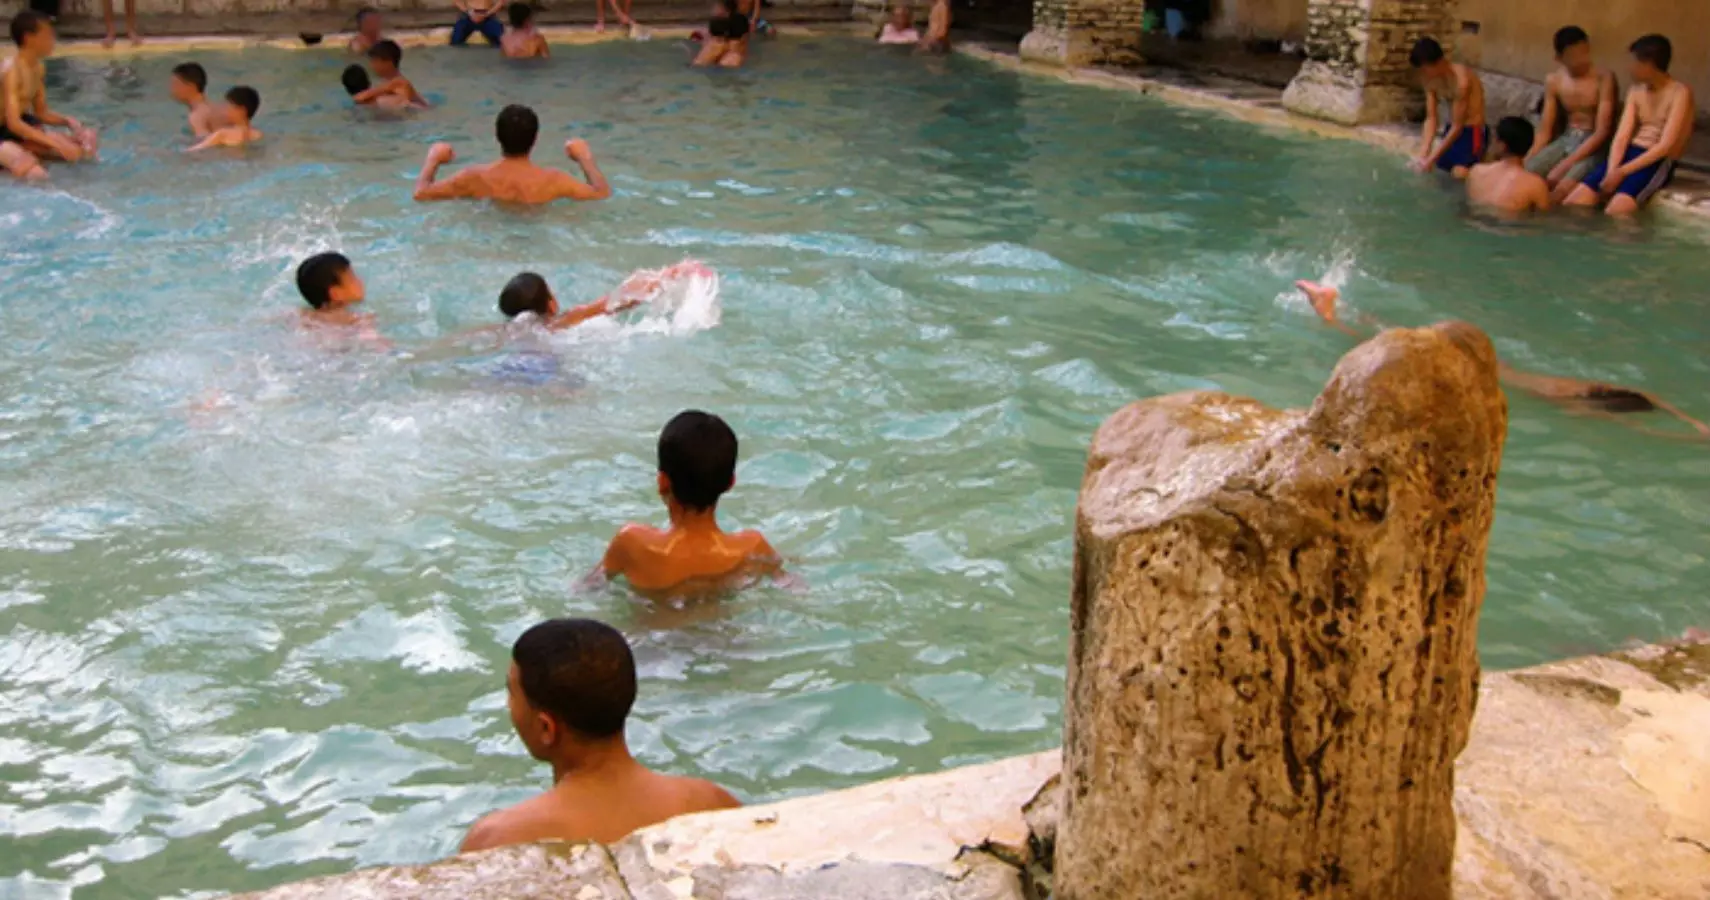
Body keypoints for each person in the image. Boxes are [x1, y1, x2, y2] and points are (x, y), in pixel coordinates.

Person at [459, 618, 741, 853]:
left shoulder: (498, 840)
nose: (508, 704)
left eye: (510, 691)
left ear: (546, 728)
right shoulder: (712, 803)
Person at [1296, 280, 1709, 438]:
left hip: (1489, 363)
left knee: (1398, 344)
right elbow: (1643, 418)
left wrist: (1694, 425)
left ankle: (1336, 309)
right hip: (1488, 374)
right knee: (1394, 352)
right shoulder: (1572, 400)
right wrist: (1689, 432)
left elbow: (1647, 401)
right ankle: (1331, 316)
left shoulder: (1583, 388)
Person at [597, 410, 782, 594]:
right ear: (730, 483)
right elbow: (791, 583)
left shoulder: (632, 543)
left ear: (662, 482)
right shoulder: (751, 548)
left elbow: (590, 586)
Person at [1563, 35, 1693, 216]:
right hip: (1629, 153)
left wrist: (1622, 172)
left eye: (1634, 63)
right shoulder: (1635, 90)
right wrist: (1612, 170)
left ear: (1649, 64)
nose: (1629, 68)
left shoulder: (1680, 93)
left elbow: (1666, 145)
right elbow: (1622, 136)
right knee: (1573, 203)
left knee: (1615, 213)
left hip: (1656, 160)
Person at [414, 104, 610, 204]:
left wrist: (434, 158)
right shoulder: (553, 180)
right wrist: (584, 157)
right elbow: (601, 194)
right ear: (535, 139)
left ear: (497, 136)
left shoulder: (473, 177)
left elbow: (421, 193)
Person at [1, 11, 98, 181]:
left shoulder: (38, 68)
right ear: (29, 38)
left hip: (16, 128)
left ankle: (20, 150)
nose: (53, 40)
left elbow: (41, 112)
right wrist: (53, 143)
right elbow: (13, 122)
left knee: (79, 151)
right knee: (36, 174)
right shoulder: (11, 70)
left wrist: (69, 121)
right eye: (48, 35)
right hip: (7, 128)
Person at [1525, 26, 1615, 200]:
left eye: (1584, 52)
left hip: (1593, 144)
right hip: (1566, 138)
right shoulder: (1554, 80)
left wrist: (1565, 165)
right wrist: (1529, 158)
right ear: (1559, 58)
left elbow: (1603, 131)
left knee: (1560, 190)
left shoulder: (1603, 77)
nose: (1581, 60)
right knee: (1527, 175)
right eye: (1573, 55)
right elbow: (1545, 130)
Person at [1408, 37, 1487, 178]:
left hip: (1472, 132)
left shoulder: (1461, 81)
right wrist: (1423, 154)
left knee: (1459, 174)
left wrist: (1431, 159)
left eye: (1425, 69)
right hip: (1451, 130)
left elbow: (1458, 125)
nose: (1423, 73)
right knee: (1436, 171)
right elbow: (1431, 117)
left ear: (1438, 63)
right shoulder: (1429, 79)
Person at [1465, 117, 1551, 214]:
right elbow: (1543, 219)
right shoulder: (1535, 185)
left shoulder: (1476, 172)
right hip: (1509, 227)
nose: (1492, 144)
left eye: (1495, 139)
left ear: (1502, 145)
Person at [295, 252, 371, 327]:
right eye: (352, 279)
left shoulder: (304, 315)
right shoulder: (354, 321)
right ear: (336, 294)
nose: (360, 281)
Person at [351, 40, 430, 109]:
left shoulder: (400, 82)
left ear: (388, 63)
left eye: (375, 61)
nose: (372, 65)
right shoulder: (393, 85)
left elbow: (359, 98)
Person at [188, 86, 261, 151]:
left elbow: (194, 151)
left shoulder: (222, 134)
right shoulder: (258, 135)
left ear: (242, 110)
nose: (225, 110)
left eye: (228, 106)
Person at [169, 61, 222, 138]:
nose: (172, 90)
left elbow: (204, 146)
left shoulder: (196, 116)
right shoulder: (213, 107)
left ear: (190, 86)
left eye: (175, 84)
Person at [691, 0, 748, 68]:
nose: (713, 10)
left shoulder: (715, 47)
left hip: (724, 61)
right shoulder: (719, 24)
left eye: (716, 7)